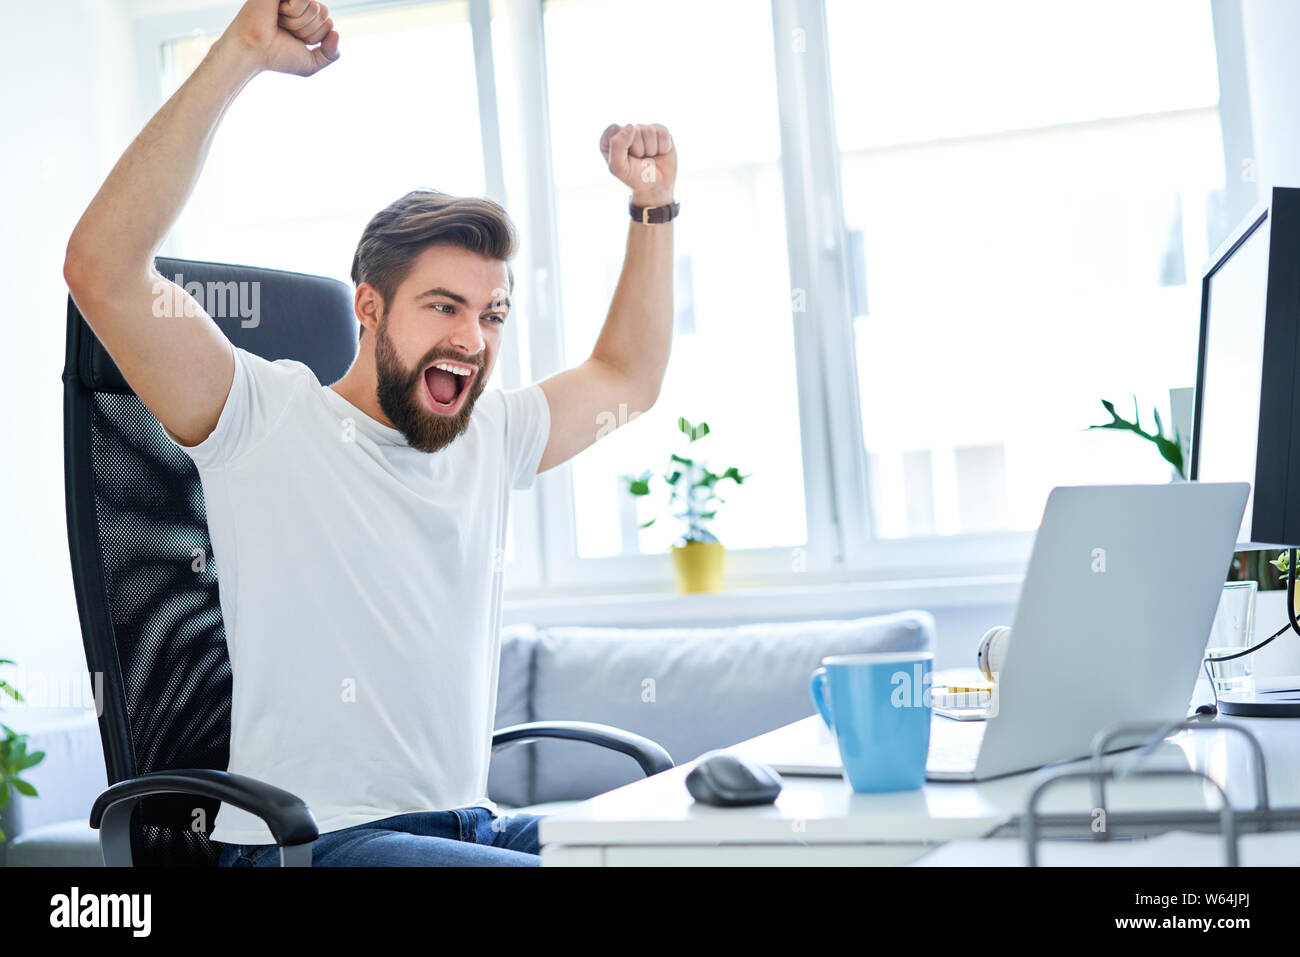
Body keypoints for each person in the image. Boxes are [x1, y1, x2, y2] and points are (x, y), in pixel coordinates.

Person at [62, 0, 676, 866]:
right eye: (444, 307)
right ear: (369, 308)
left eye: (493, 314)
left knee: (701, 843)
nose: (473, 337)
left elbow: (628, 379)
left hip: (475, 825)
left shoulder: (489, 434)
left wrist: (654, 208)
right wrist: (241, 52)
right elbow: (102, 269)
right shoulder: (259, 420)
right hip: (314, 843)